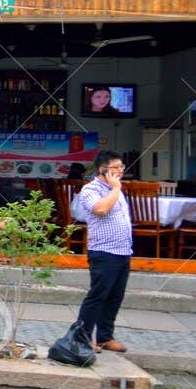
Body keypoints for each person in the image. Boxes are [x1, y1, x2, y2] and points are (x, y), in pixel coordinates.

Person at [70, 149, 132, 353]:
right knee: (97, 295)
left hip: (123, 251)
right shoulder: (91, 190)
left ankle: (105, 337)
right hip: (104, 251)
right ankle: (82, 338)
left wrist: (115, 188)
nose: (121, 171)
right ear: (103, 170)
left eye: (122, 167)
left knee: (115, 296)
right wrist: (115, 189)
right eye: (116, 168)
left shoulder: (117, 188)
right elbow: (100, 210)